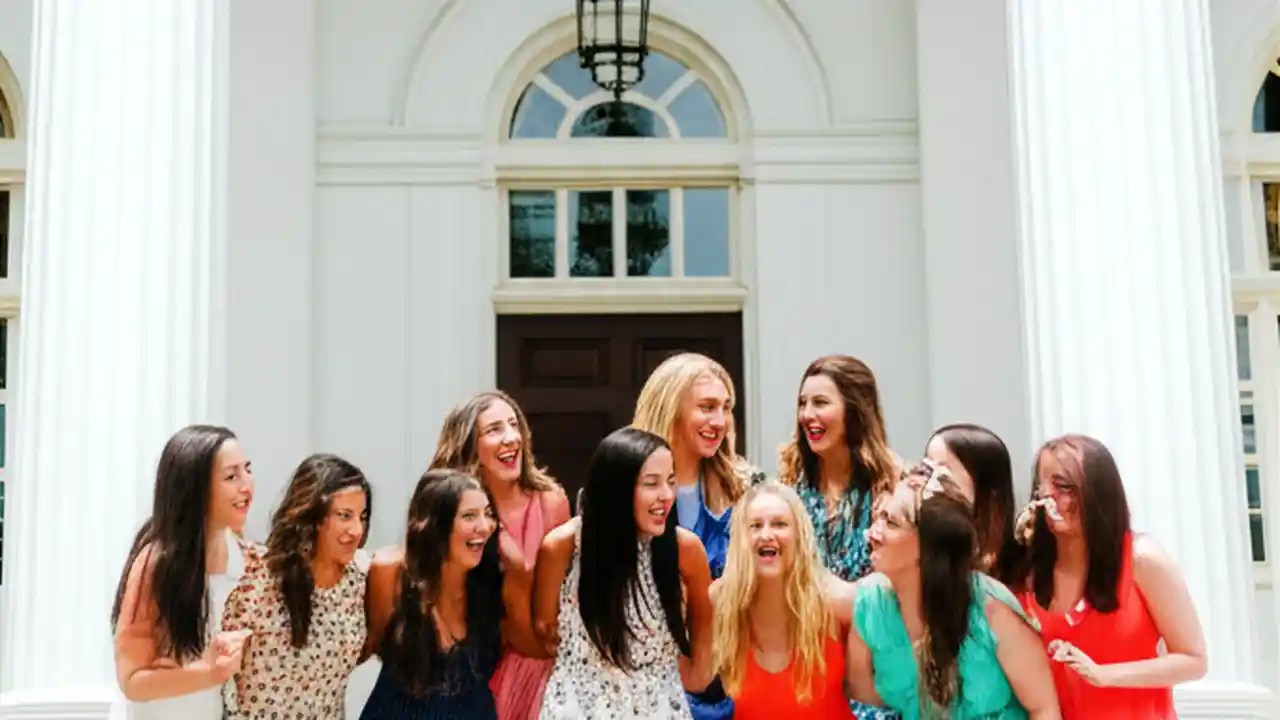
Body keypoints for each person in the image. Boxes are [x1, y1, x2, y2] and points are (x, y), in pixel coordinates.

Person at [1013, 435, 1207, 719]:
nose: (1047, 497)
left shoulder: (1142, 559)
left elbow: (1194, 660)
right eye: (1040, 487)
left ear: (1097, 492)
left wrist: (1104, 675)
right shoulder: (1027, 574)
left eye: (1063, 486)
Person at [847, 469, 1060, 719]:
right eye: (878, 517)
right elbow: (861, 694)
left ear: (928, 545)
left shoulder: (990, 608)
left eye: (890, 523)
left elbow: (1044, 709)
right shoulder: (870, 603)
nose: (871, 533)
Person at [535, 427, 715, 718]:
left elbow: (702, 666)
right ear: (616, 489)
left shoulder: (687, 551)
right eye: (651, 483)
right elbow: (545, 634)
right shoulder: (562, 547)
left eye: (670, 481)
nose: (666, 495)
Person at [360, 469, 546, 719]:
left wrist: (519, 569)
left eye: (488, 514)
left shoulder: (494, 585)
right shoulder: (391, 573)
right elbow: (364, 646)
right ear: (436, 524)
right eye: (469, 516)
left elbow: (532, 645)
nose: (485, 526)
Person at [430, 390, 570, 720]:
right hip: (470, 671)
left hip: (543, 665)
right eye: (494, 430)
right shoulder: (446, 512)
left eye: (513, 425)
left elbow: (560, 603)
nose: (511, 438)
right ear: (468, 446)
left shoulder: (551, 502)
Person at [111, 425, 255, 719]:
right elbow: (132, 680)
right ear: (196, 487)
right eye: (231, 476)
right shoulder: (156, 562)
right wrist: (209, 672)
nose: (246, 485)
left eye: (247, 470)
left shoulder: (245, 556)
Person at [221, 453, 372, 718]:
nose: (357, 529)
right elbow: (223, 676)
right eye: (345, 515)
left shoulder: (359, 581)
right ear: (313, 517)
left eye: (362, 516)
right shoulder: (257, 578)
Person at [712, 481, 855, 719]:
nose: (766, 535)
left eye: (780, 524)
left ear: (800, 536)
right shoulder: (718, 603)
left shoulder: (835, 600)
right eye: (755, 526)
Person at [920, 423, 1020, 584]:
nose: (929, 487)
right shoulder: (916, 553)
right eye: (926, 471)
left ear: (988, 492)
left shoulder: (1021, 574)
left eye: (943, 477)